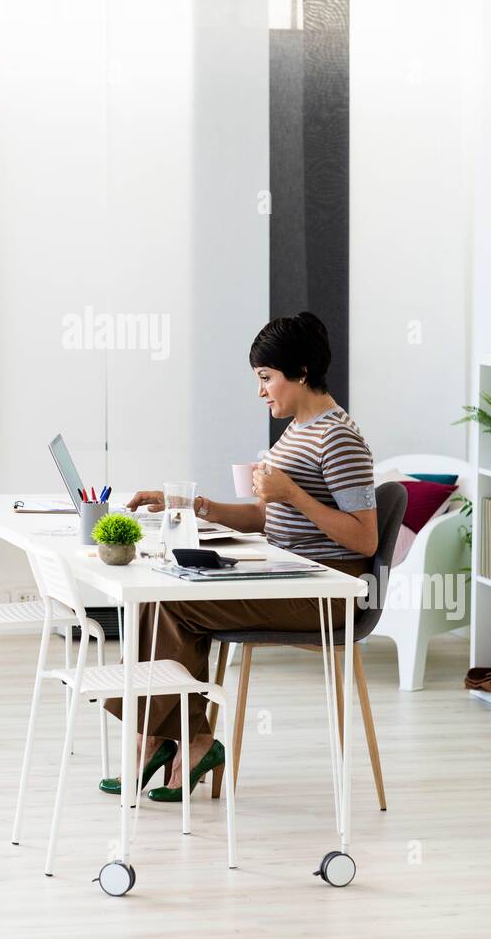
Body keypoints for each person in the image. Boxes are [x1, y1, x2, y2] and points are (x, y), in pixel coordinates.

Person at [101, 311, 378, 802]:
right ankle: (167, 739)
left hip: (328, 591)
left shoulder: (340, 438)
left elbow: (365, 540)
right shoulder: (296, 430)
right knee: (156, 597)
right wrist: (189, 505)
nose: (261, 391)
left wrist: (292, 493)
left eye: (266, 378)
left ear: (302, 373)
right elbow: (263, 519)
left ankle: (184, 740)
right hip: (289, 577)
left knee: (175, 603)